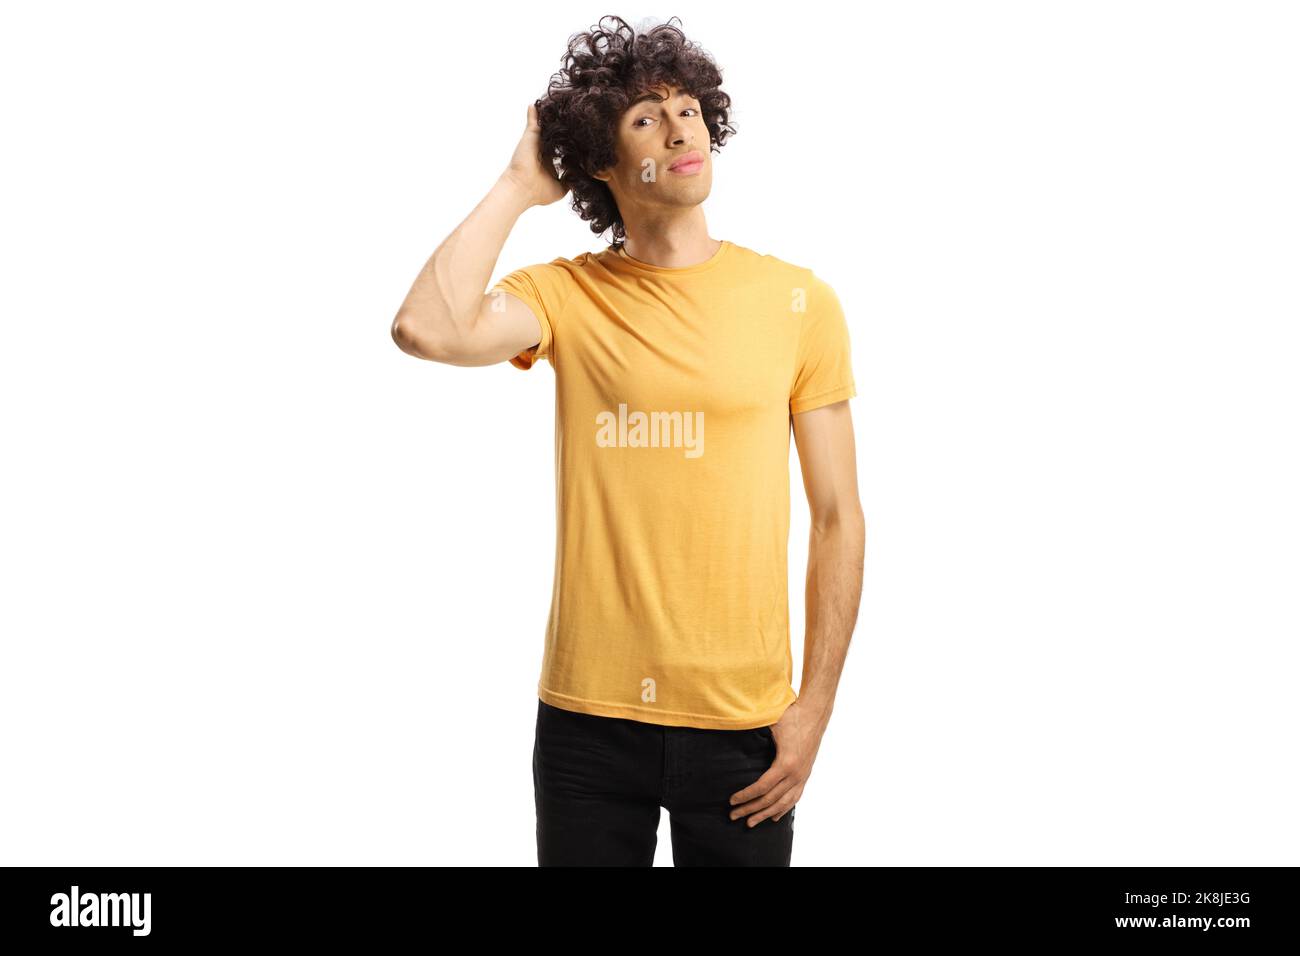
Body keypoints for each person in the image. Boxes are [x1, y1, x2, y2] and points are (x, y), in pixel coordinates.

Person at [391, 16, 865, 866]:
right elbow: (426, 329)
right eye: (647, 117)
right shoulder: (568, 295)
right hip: (586, 725)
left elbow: (838, 517)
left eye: (688, 108)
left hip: (742, 724)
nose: (680, 127)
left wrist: (815, 706)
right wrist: (514, 185)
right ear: (603, 166)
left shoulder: (799, 302)